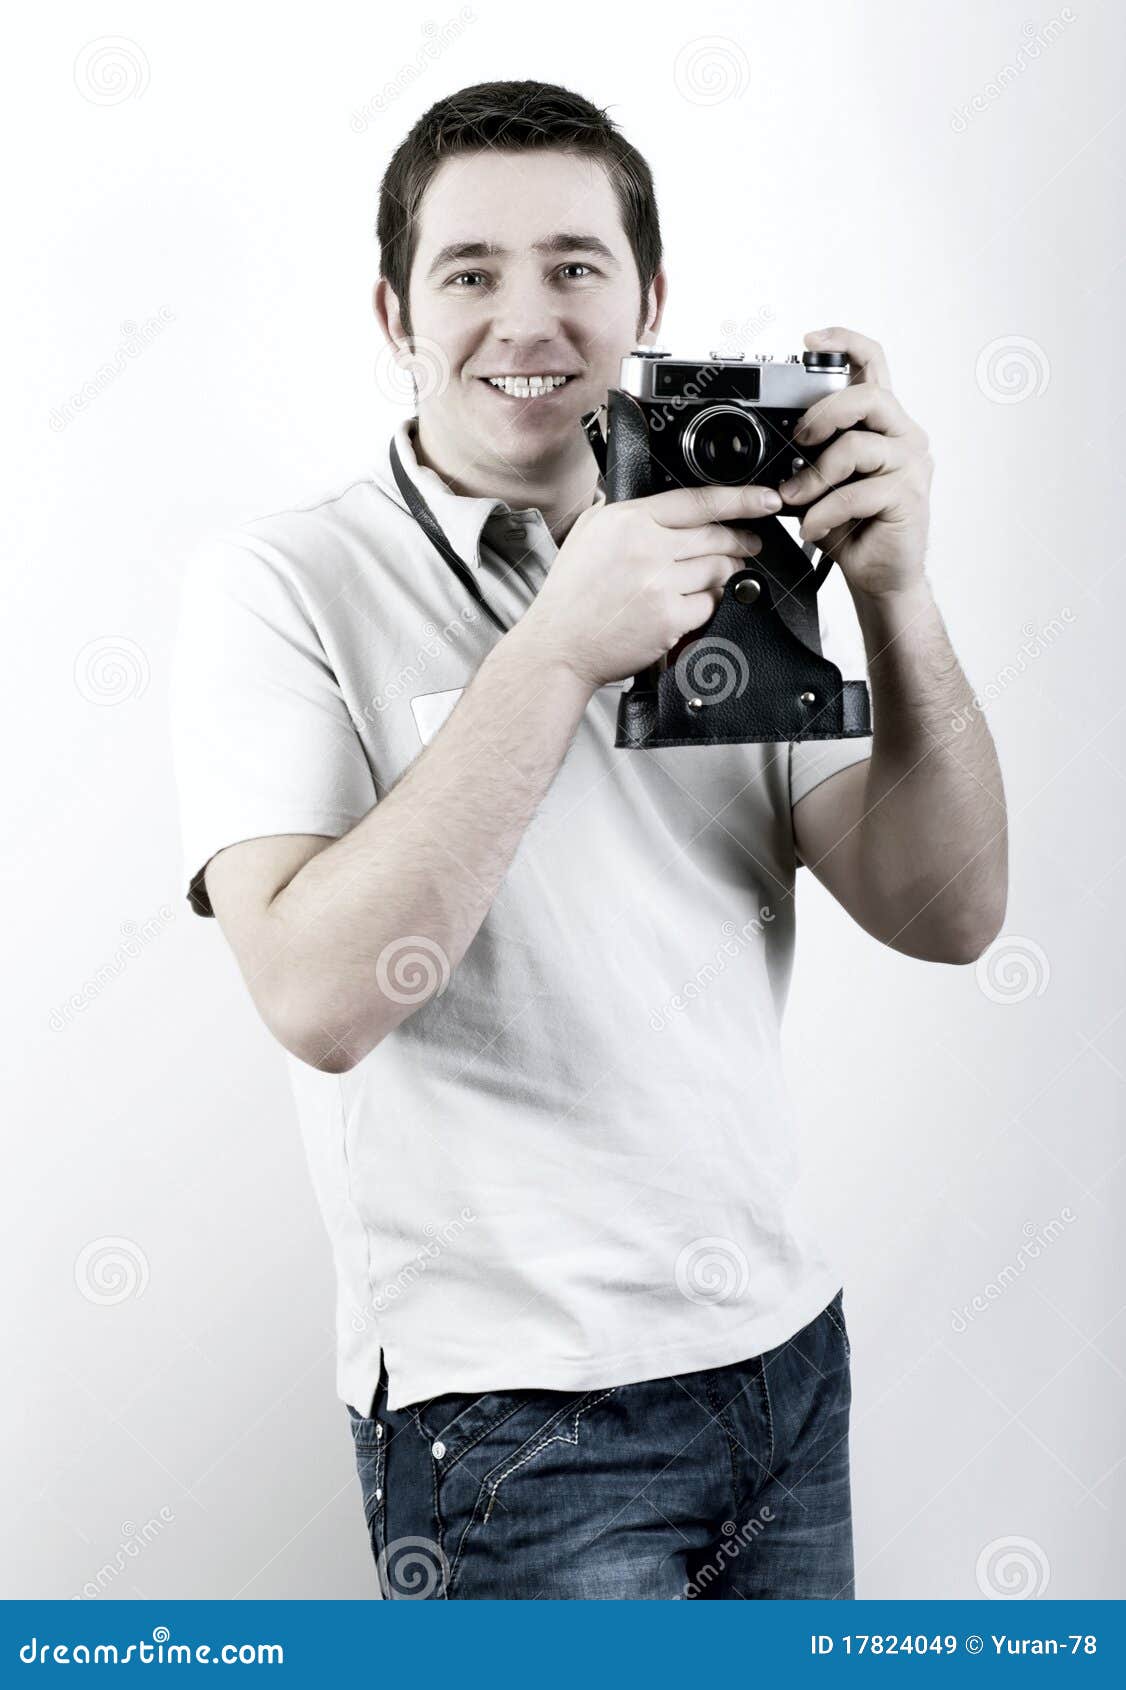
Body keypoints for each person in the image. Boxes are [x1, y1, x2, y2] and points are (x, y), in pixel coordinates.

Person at [169, 79, 1008, 1600]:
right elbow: (315, 994)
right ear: (393, 311)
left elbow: (947, 913)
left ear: (649, 299)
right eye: (469, 272)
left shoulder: (734, 551)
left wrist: (894, 592)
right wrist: (556, 650)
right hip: (503, 1415)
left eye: (573, 265)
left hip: (779, 1358)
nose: (526, 317)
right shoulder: (281, 582)